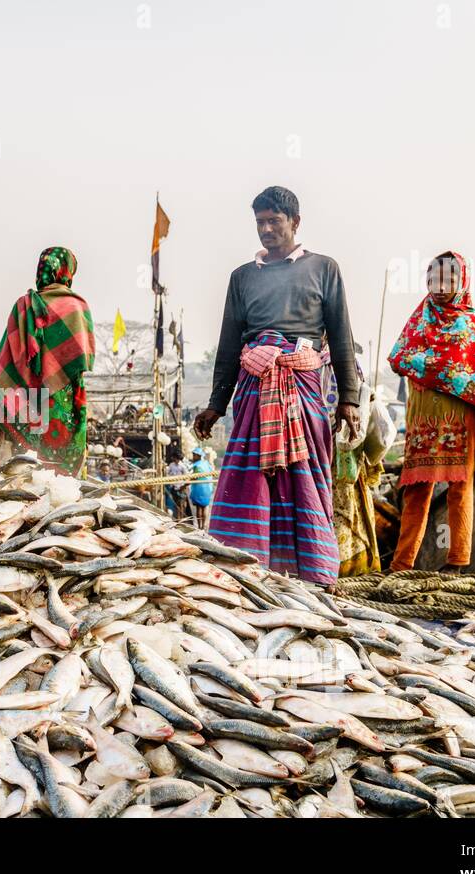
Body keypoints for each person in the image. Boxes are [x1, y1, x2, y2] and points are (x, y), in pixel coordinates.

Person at [193, 186, 360, 587]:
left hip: (303, 385)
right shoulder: (242, 277)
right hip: (254, 389)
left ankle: (311, 573)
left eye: (274, 221)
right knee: (248, 476)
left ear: (295, 222)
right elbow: (231, 343)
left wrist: (349, 400)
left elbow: (340, 337)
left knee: (304, 473)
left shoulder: (324, 268)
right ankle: (246, 567)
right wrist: (217, 404)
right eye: (260, 223)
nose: (266, 229)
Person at [387, 251, 475, 573]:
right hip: (422, 417)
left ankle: (457, 562)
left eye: (447, 279)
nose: (439, 286)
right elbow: (398, 357)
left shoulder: (471, 322)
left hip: (460, 420)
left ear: (461, 280)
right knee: (416, 489)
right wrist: (447, 372)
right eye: (433, 279)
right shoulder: (420, 316)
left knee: (459, 488)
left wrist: (436, 371)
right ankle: (400, 565)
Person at [0, 247, 96, 475]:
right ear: (67, 271)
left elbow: (3, 364)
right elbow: (80, 363)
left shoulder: (23, 306)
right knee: (55, 472)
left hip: (22, 401)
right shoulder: (76, 307)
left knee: (19, 468)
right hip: (59, 404)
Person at [333, 376, 395, 576]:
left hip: (339, 464)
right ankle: (338, 569)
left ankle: (338, 569)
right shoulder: (353, 377)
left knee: (344, 511)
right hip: (341, 464)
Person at [188, 446, 215, 531]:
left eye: (194, 455)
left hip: (199, 488)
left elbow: (195, 477)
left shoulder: (197, 465)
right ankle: (204, 526)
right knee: (205, 506)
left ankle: (200, 526)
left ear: (198, 456)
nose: (193, 457)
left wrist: (184, 485)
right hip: (207, 488)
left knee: (199, 508)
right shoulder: (206, 463)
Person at [164, 448, 189, 520]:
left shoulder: (183, 466)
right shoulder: (171, 465)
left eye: (175, 458)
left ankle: (181, 519)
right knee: (176, 504)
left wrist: (184, 486)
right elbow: (168, 474)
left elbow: (187, 477)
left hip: (181, 487)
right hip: (174, 487)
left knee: (181, 505)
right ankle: (178, 519)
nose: (174, 459)